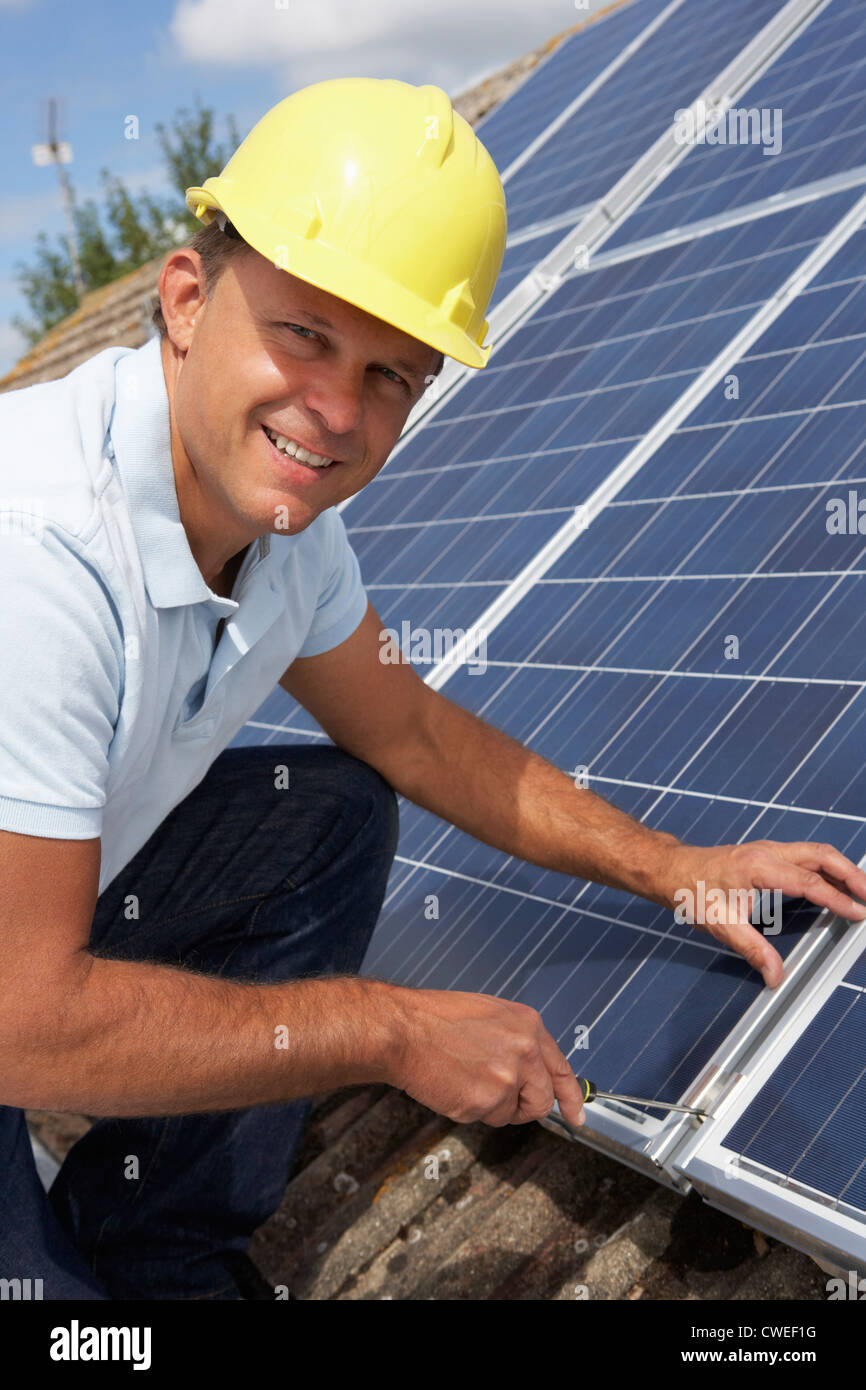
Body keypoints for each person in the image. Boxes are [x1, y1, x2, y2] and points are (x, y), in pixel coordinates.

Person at [1, 76, 864, 1302]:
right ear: (185, 303)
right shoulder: (35, 552)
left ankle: (165, 1243)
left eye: (391, 374)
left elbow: (408, 728)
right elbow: (20, 1020)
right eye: (301, 334)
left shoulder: (283, 534)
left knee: (326, 810)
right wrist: (392, 1030)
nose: (337, 411)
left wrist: (670, 864)